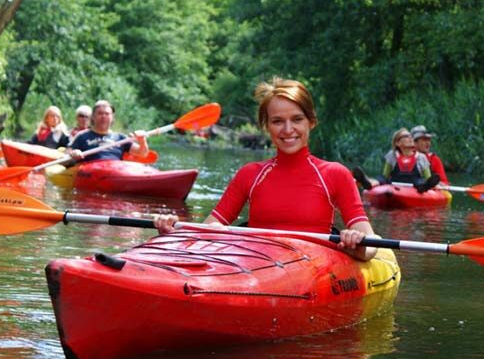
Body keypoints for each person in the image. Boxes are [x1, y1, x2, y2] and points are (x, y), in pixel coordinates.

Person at [154, 77, 378, 261]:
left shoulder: (335, 174)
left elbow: (371, 242)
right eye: (278, 121)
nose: (288, 129)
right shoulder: (250, 174)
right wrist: (175, 231)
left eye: (297, 119)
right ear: (267, 126)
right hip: (258, 265)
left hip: (312, 270)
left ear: (311, 122)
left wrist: (357, 245)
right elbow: (209, 229)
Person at [352, 127, 440, 193]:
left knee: (421, 181)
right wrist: (381, 182)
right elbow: (385, 175)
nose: (410, 138)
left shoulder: (421, 157)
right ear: (397, 143)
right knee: (381, 178)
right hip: (394, 182)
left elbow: (428, 177)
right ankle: (368, 182)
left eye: (410, 136)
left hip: (415, 183)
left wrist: (433, 185)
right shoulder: (392, 155)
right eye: (406, 136)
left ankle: (423, 188)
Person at [68, 100, 149, 162]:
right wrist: (74, 153)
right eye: (100, 113)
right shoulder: (82, 136)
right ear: (93, 117)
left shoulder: (121, 138)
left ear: (112, 118)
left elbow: (142, 153)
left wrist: (142, 141)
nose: (103, 116)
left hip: (115, 171)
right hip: (91, 172)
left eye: (107, 114)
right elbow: (66, 154)